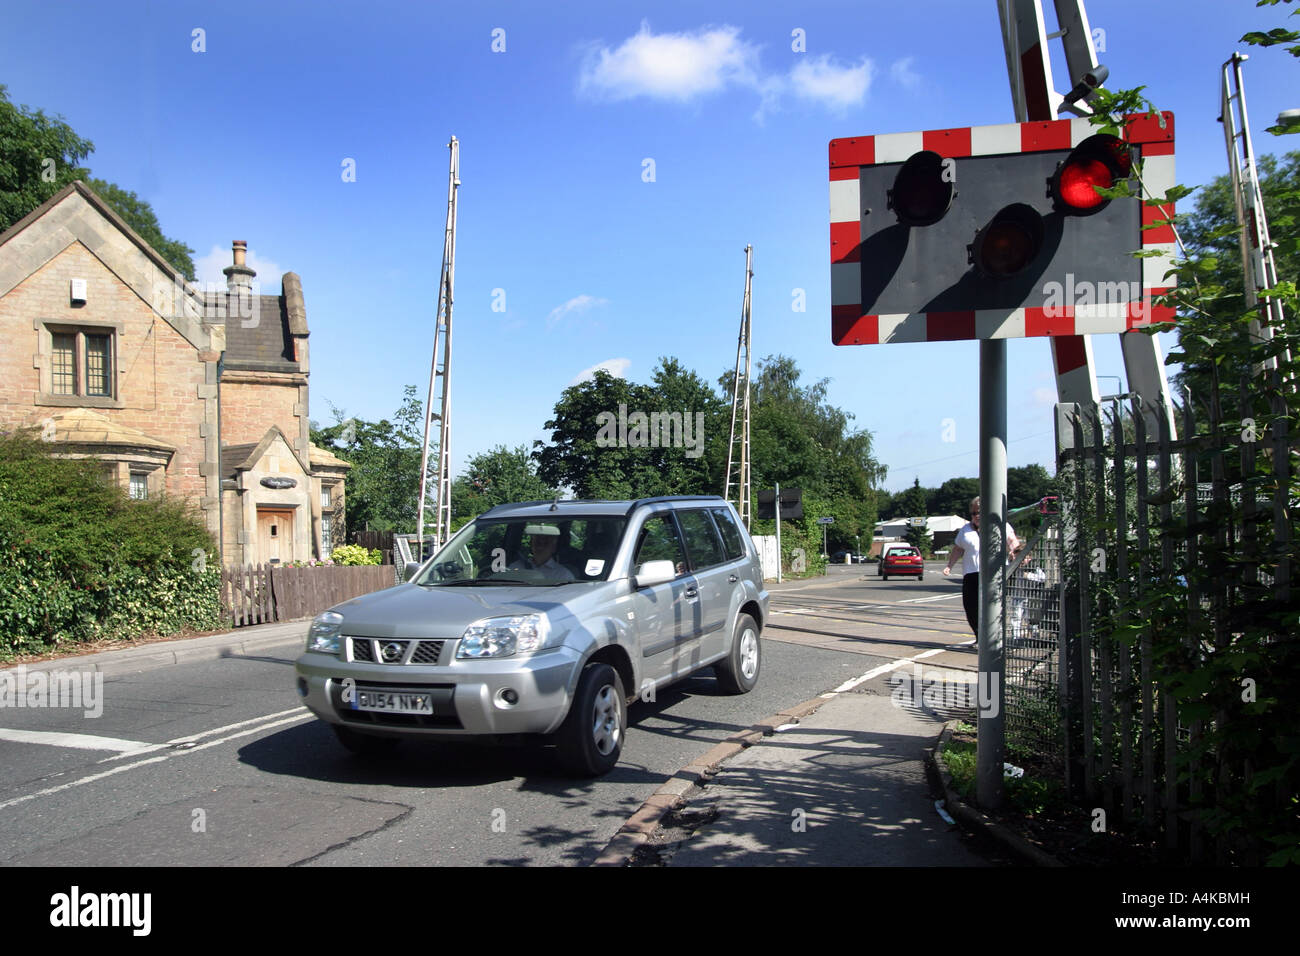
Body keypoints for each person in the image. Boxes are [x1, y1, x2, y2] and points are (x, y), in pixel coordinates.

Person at [942, 496, 1020, 636]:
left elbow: (1012, 541)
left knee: (993, 607)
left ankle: (995, 636)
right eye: (974, 513)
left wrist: (1017, 553)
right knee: (971, 607)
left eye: (980, 512)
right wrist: (949, 565)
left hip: (995, 573)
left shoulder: (1001, 526)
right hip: (972, 573)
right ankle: (980, 636)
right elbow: (958, 548)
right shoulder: (965, 530)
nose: (977, 516)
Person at [508, 524, 575, 582]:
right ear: (531, 545)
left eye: (546, 543)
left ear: (554, 547)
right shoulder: (515, 567)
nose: (540, 546)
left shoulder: (563, 575)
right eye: (537, 542)